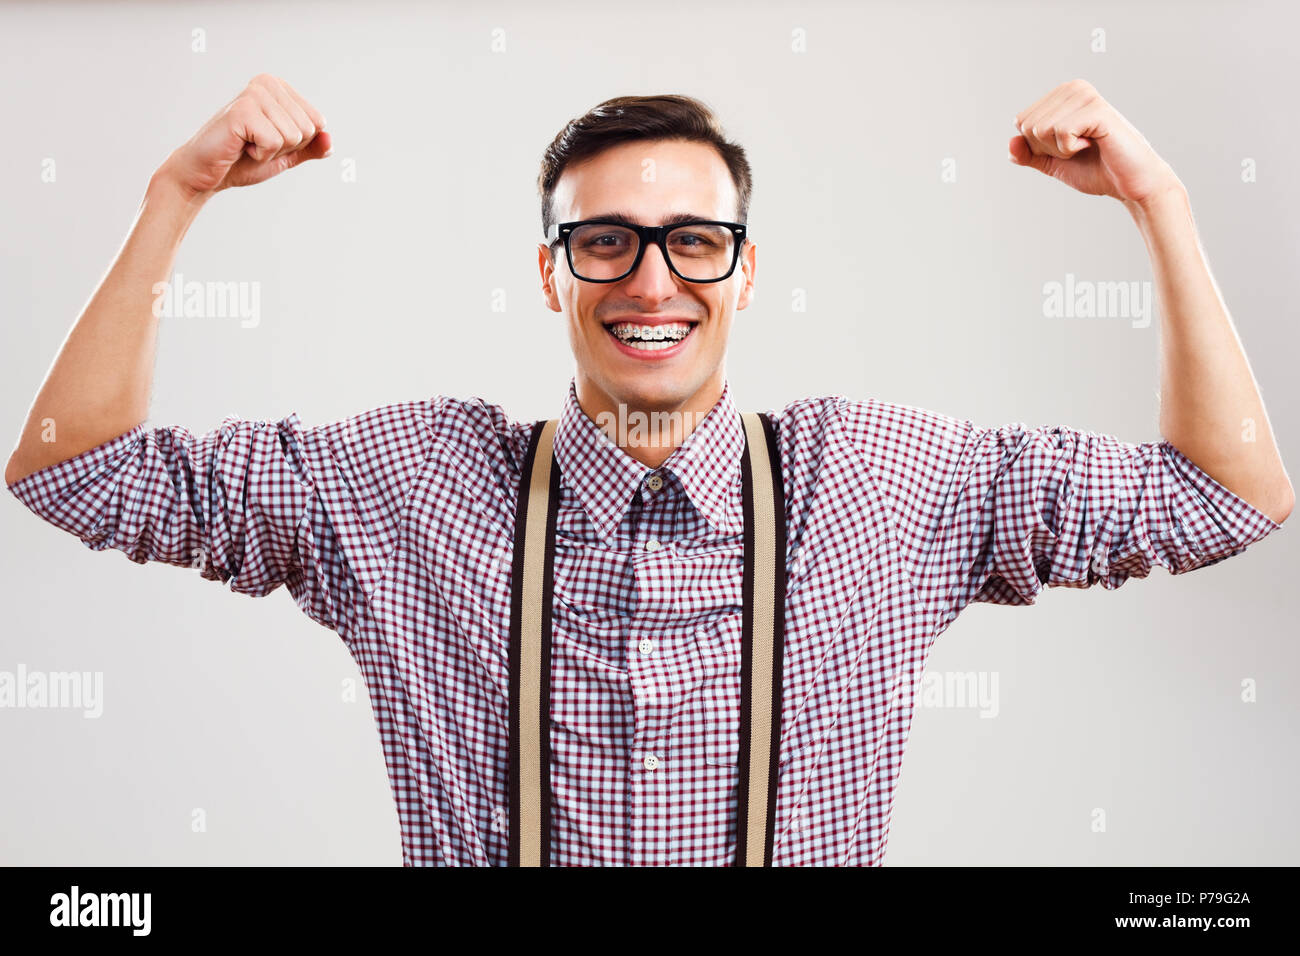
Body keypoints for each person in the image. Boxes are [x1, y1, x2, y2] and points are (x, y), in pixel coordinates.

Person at [5, 75, 1291, 866]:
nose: (653, 280)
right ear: (552, 273)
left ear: (746, 270)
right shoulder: (409, 485)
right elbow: (77, 471)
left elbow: (1223, 497)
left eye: (694, 240)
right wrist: (177, 194)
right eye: (607, 241)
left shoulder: (882, 482)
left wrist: (1158, 202)